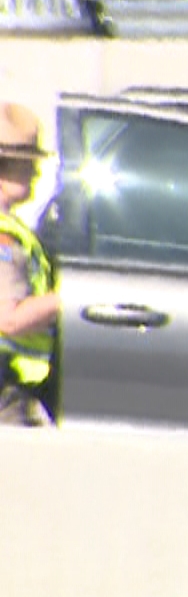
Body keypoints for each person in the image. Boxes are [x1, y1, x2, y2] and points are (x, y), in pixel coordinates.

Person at [0, 102, 59, 428]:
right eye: (27, 165)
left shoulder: (13, 229)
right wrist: (67, 299)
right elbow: (8, 319)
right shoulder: (3, 238)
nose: (36, 172)